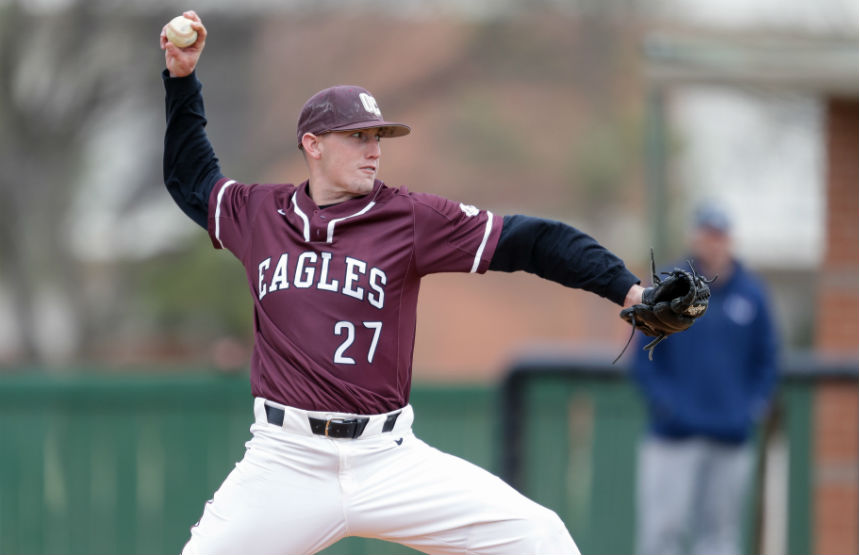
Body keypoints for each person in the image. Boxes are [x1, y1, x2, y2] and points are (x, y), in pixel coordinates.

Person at [161, 11, 648, 555]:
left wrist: (628, 290)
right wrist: (181, 79)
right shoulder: (260, 214)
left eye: (378, 136)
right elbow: (191, 178)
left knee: (541, 538)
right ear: (314, 143)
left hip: (387, 458)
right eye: (358, 136)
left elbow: (530, 240)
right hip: (286, 458)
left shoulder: (409, 218)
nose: (374, 148)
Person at [631, 203, 779, 555]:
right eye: (707, 235)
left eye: (721, 236)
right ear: (694, 238)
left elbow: (767, 360)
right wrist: (666, 404)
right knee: (662, 532)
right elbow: (643, 356)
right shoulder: (670, 286)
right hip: (674, 436)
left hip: (730, 436)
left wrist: (752, 407)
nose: (714, 244)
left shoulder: (752, 294)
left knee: (720, 538)